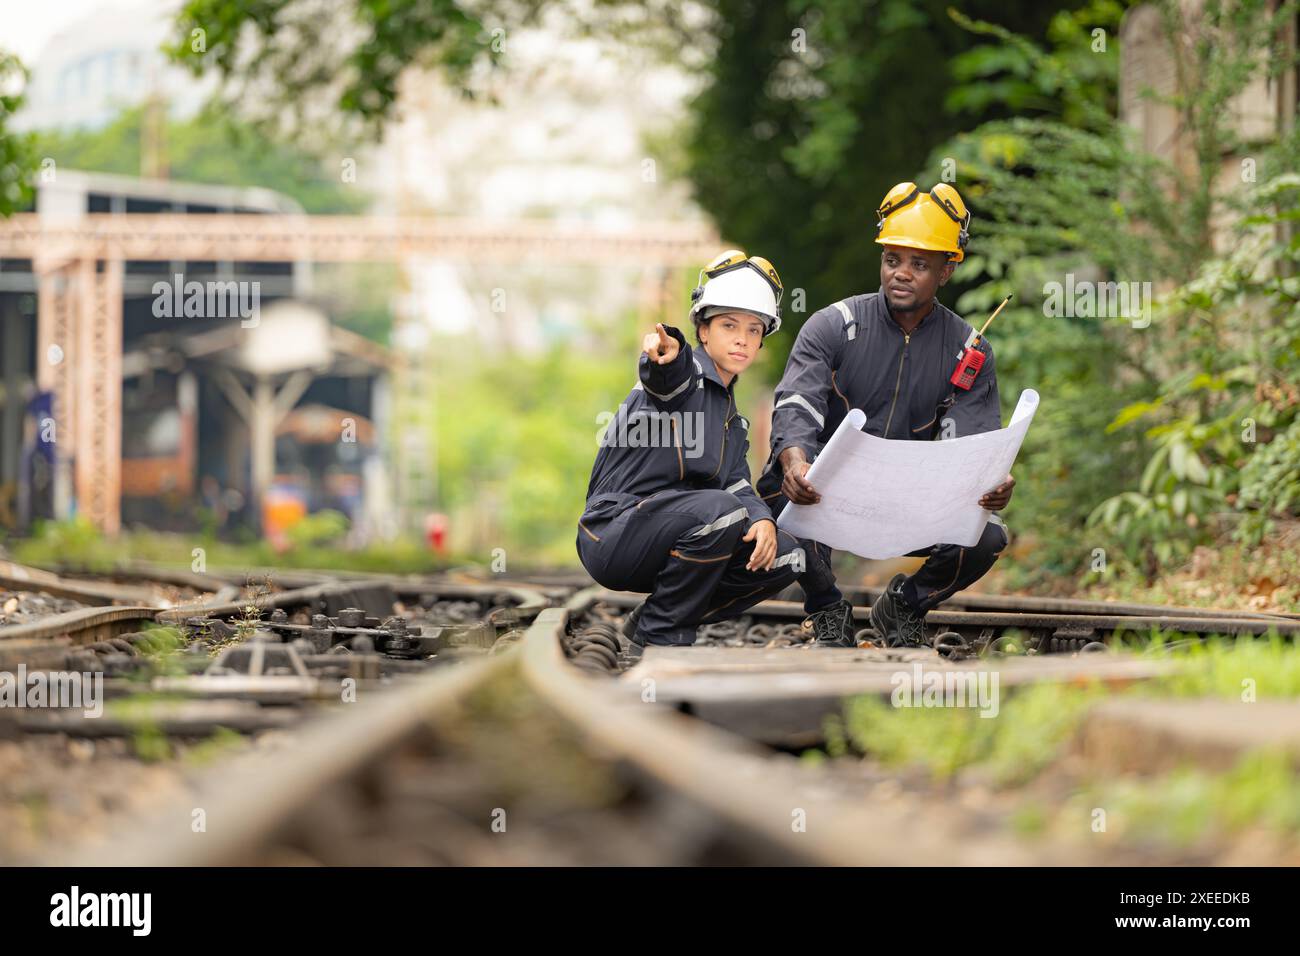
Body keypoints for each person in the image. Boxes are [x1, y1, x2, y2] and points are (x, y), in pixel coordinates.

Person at [756, 183, 1016, 648]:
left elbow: (974, 445)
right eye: (892, 259)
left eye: (919, 264)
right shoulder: (832, 326)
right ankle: (827, 608)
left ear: (947, 270)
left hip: (911, 504)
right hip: (827, 494)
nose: (901, 273)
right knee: (778, 488)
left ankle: (905, 605)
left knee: (988, 536)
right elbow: (797, 401)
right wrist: (796, 461)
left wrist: (989, 484)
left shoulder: (968, 350)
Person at [577, 251, 837, 657]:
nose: (742, 339)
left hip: (679, 532)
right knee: (720, 510)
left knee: (786, 555)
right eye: (729, 325)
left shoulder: (733, 421)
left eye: (754, 330)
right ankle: (666, 636)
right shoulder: (687, 378)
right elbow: (668, 381)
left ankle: (653, 621)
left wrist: (764, 521)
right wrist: (666, 354)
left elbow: (737, 485)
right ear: (702, 330)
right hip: (613, 533)